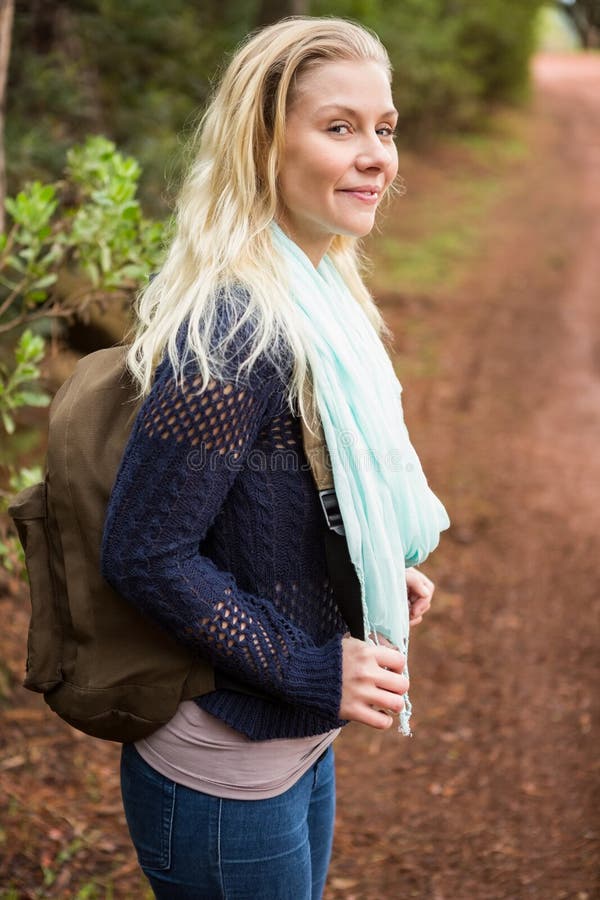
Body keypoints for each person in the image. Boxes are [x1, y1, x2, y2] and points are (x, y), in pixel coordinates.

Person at [101, 15, 449, 900]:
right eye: (340, 128)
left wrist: (361, 573)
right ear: (264, 143)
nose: (376, 154)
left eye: (385, 128)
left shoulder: (322, 289)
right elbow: (145, 550)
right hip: (228, 764)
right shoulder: (237, 323)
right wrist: (308, 665)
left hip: (294, 740)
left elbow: (282, 492)